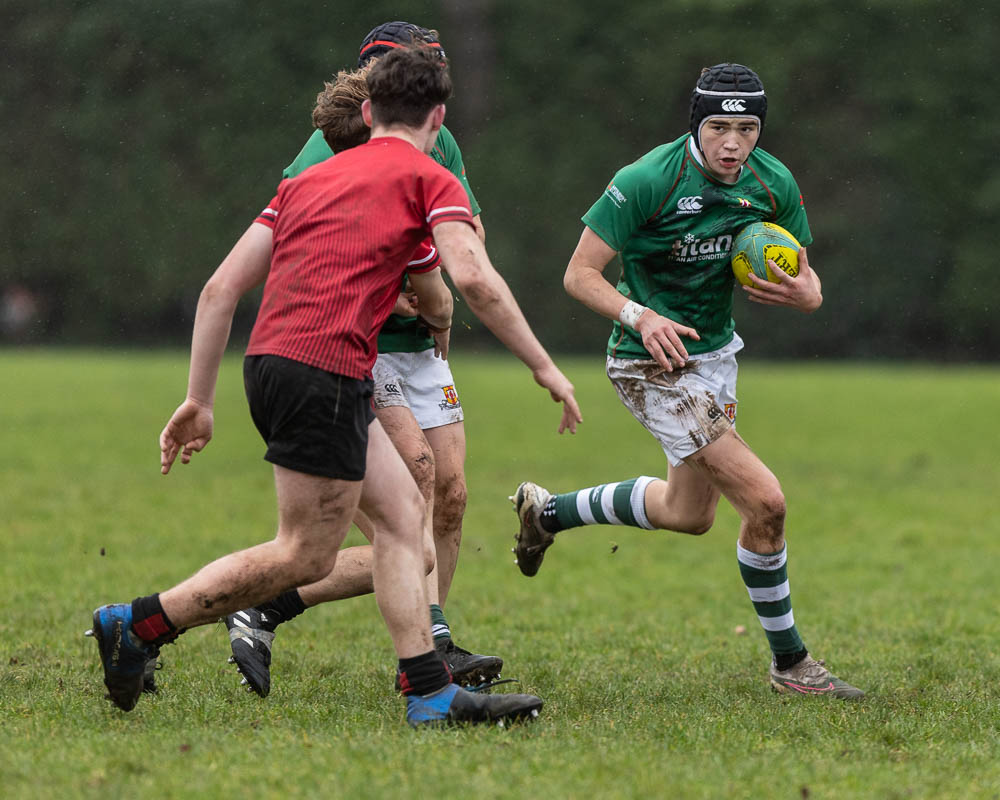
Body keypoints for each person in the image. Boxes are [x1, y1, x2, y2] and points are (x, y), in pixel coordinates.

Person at [88, 45, 581, 727]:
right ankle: (137, 625)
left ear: (369, 110)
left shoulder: (306, 181)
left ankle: (429, 690)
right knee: (304, 552)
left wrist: (199, 399)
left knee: (404, 518)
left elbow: (219, 289)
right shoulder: (430, 175)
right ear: (437, 117)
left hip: (282, 364)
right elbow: (470, 279)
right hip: (320, 371)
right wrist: (542, 363)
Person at [510, 63, 864, 699]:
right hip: (650, 362)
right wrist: (640, 316)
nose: (733, 143)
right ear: (696, 125)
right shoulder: (647, 179)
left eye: (747, 128)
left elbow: (806, 279)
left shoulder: (772, 181)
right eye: (719, 127)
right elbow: (579, 274)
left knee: (687, 514)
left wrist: (808, 294)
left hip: (714, 355)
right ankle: (791, 665)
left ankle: (548, 512)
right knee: (766, 502)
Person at [222, 22, 501, 698]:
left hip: (423, 347)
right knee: (410, 507)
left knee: (452, 498)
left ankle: (428, 636)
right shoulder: (324, 149)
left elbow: (464, 233)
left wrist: (436, 299)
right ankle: (409, 649)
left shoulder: (439, 139)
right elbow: (305, 250)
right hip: (357, 348)